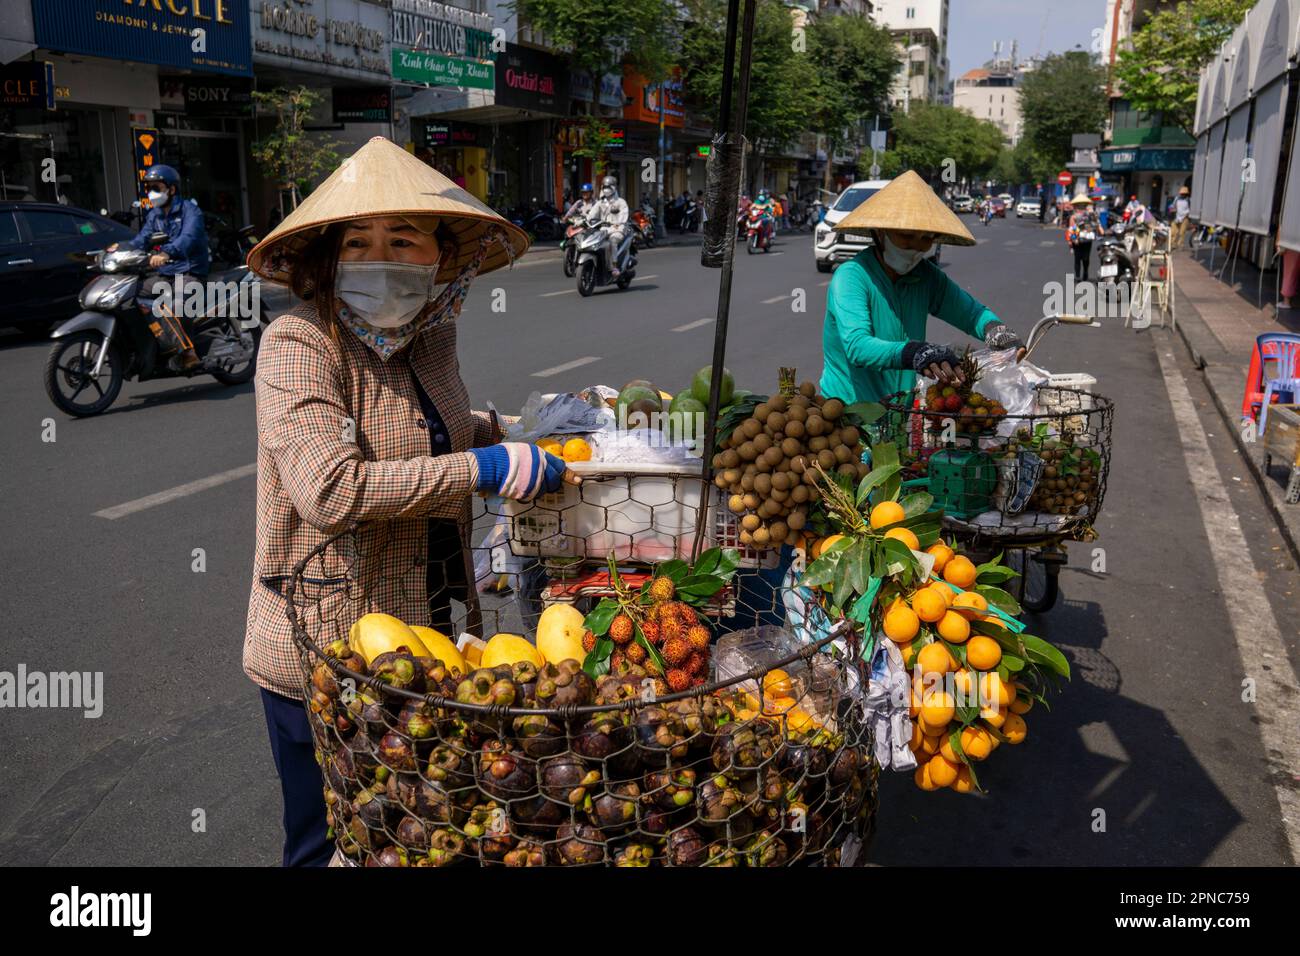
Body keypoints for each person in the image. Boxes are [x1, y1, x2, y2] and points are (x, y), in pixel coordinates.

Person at [241, 137, 564, 867]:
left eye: (404, 237)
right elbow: (331, 488)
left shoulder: (432, 338)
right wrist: (482, 466)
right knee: (330, 839)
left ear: (441, 255)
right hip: (330, 647)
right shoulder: (298, 344)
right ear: (327, 256)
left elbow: (433, 431)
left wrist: (508, 434)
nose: (379, 255)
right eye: (357, 240)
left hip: (438, 632)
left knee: (420, 833)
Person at [819, 170, 1024, 406]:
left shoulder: (926, 276)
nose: (916, 247)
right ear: (880, 232)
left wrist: (997, 331)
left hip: (897, 413)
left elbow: (971, 314)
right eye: (906, 236)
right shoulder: (852, 277)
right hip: (848, 415)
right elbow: (858, 347)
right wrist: (914, 352)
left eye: (926, 238)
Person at [108, 164, 210, 370]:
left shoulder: (191, 211)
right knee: (131, 292)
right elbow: (141, 239)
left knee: (173, 305)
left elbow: (188, 238)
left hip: (189, 272)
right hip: (165, 273)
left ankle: (188, 352)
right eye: (148, 188)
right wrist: (119, 248)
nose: (151, 193)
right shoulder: (154, 215)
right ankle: (154, 343)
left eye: (156, 188)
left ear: (171, 189)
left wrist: (166, 253)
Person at [595, 174, 629, 276]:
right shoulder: (600, 202)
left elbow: (623, 215)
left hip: (618, 229)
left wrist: (618, 223)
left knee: (612, 241)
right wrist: (583, 221)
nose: (606, 189)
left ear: (614, 187)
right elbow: (592, 214)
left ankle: (614, 267)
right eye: (604, 187)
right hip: (604, 229)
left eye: (608, 187)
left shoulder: (621, 202)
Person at [1066, 195, 1099, 282]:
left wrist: (1092, 213)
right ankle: (1077, 275)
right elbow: (1072, 228)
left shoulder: (1090, 215)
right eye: (1079, 206)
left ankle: (1085, 272)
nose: (1081, 208)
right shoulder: (1073, 217)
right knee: (1077, 258)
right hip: (1077, 239)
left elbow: (1095, 223)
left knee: (1086, 258)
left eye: (1083, 206)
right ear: (1076, 207)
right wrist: (1073, 239)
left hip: (1087, 239)